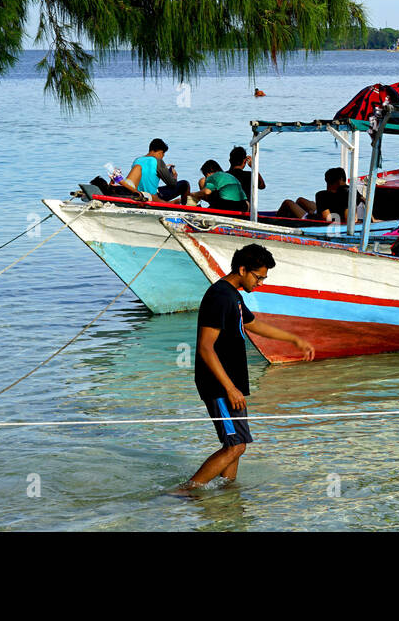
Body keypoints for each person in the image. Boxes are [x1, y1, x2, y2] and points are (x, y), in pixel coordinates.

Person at [180, 243, 313, 490]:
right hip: (219, 384)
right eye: (259, 276)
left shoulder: (234, 296)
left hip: (232, 384)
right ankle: (184, 492)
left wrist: (293, 339)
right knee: (235, 445)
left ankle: (228, 491)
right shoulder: (220, 296)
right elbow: (205, 347)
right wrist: (229, 388)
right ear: (242, 269)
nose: (261, 282)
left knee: (238, 443)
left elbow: (252, 324)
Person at [277, 167, 360, 223]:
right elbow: (363, 200)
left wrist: (313, 215)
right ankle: (292, 216)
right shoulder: (352, 191)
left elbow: (326, 219)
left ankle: (276, 222)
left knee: (288, 203)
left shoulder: (322, 195)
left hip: (317, 221)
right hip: (329, 214)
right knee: (300, 200)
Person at [120, 138, 190, 203]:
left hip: (138, 192)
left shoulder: (137, 160)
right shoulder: (158, 161)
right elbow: (172, 184)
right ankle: (185, 206)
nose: (162, 157)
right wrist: (174, 176)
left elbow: (147, 175)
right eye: (163, 154)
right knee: (185, 184)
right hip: (152, 197)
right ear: (160, 152)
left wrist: (164, 169)